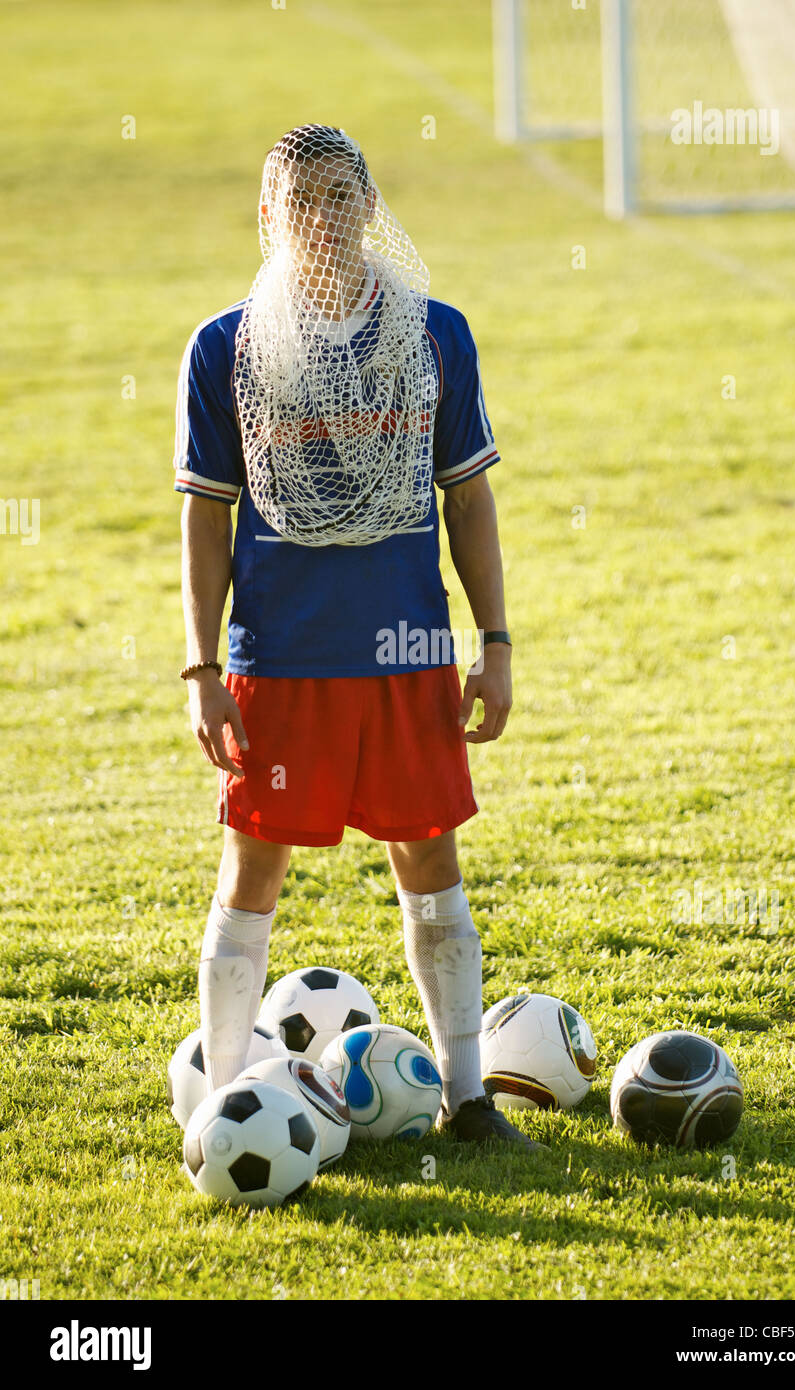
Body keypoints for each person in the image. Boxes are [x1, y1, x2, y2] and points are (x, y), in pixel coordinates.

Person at [173, 124, 537, 1147]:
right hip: (281, 657)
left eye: (340, 197)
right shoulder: (224, 346)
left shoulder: (435, 334)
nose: (323, 218)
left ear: (370, 207)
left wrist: (494, 642)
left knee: (432, 862)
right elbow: (205, 518)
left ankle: (467, 1098)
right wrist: (202, 666)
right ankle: (226, 1104)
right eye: (301, 201)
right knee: (251, 875)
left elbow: (469, 499)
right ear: (268, 217)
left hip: (407, 652)